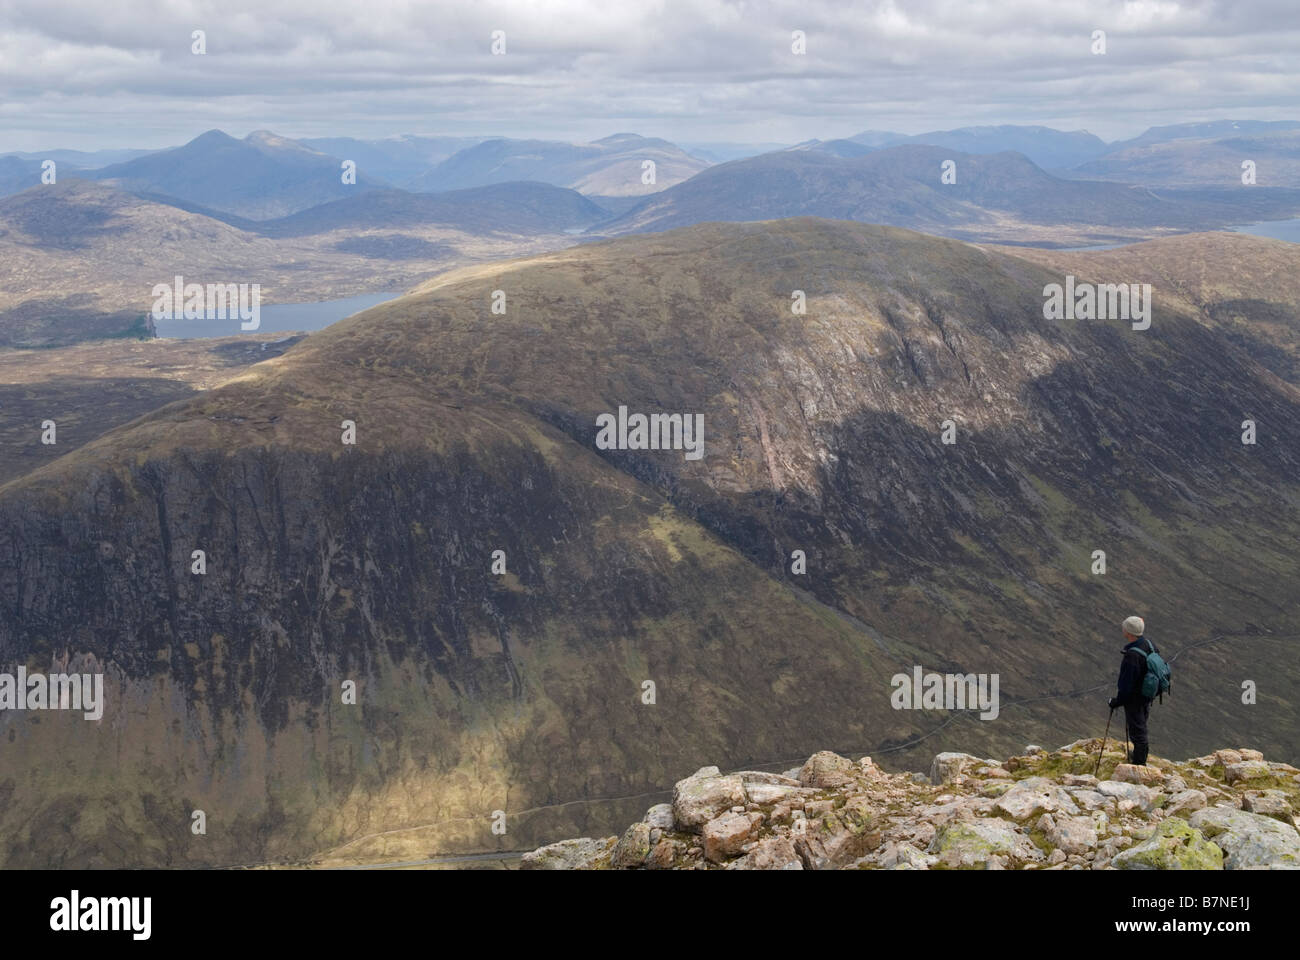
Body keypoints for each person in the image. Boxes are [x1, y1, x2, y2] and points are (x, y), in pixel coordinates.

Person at [1108, 615, 1157, 765]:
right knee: (1141, 725)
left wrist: (1116, 702)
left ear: (1128, 632)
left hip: (1135, 699)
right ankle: (1139, 755)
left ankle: (1139, 763)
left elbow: (1126, 684)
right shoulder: (1149, 644)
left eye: (1124, 627)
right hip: (1147, 695)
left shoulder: (1132, 655)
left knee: (1138, 731)